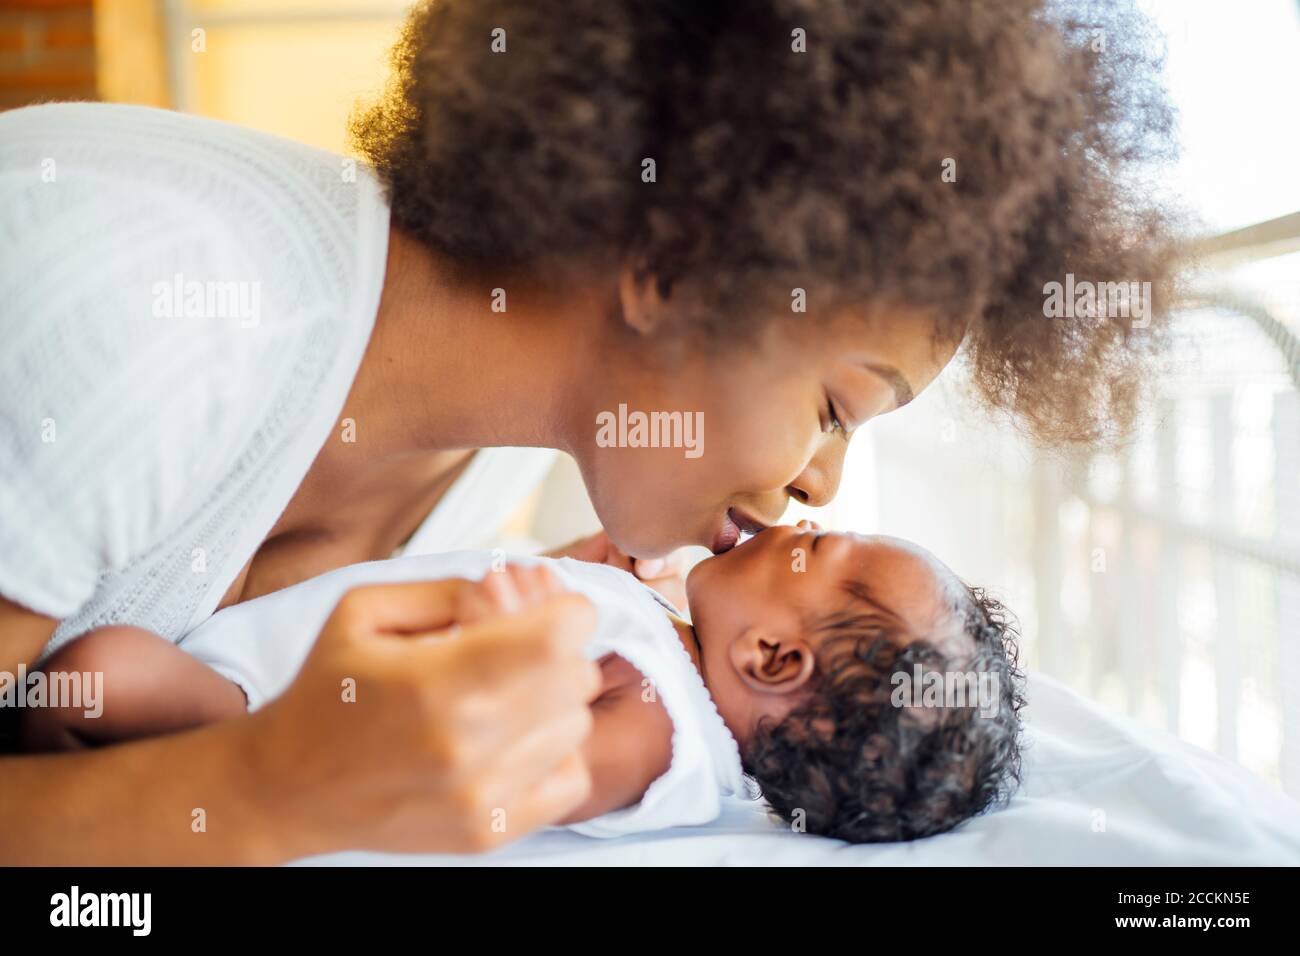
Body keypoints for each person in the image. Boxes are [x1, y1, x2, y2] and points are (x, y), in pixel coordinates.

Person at [0, 0, 1178, 862]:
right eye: (835, 407)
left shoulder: (486, 470)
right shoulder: (149, 310)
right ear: (672, 265)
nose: (821, 487)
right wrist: (261, 789)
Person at [24, 523, 1025, 844]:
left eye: (810, 544)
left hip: (270, 718)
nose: (786, 520)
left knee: (94, 674)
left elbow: (526, 772)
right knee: (86, 684)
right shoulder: (661, 636)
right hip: (269, 676)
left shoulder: (656, 726)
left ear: (771, 659)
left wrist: (499, 645)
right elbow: (562, 586)